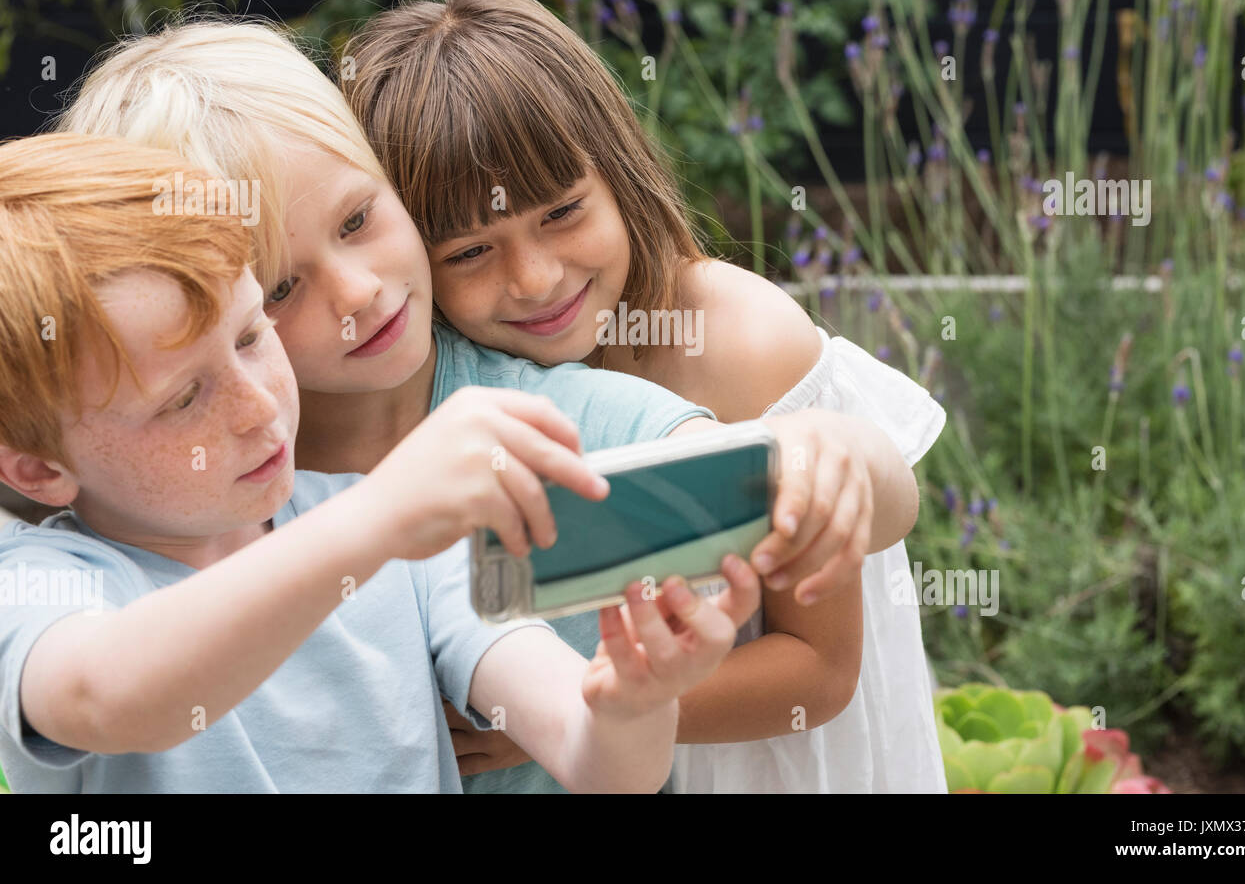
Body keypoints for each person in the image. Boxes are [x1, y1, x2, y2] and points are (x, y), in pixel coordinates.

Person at [57, 17, 920, 793]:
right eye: (281, 285)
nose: (356, 290)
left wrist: (824, 447)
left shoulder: (554, 418)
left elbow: (808, 504)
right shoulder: (194, 496)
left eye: (358, 219)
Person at [0, 133, 768, 793]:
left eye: (248, 337)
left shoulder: (397, 542)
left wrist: (634, 702)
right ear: (35, 470)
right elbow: (106, 694)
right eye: (179, 400)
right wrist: (380, 517)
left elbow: (596, 760)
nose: (259, 407)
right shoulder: (39, 584)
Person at [339, 0, 949, 793]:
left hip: (764, 756)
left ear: (616, 170)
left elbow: (820, 669)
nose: (536, 278)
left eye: (561, 212)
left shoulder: (737, 343)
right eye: (471, 252)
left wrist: (561, 726)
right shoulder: (456, 380)